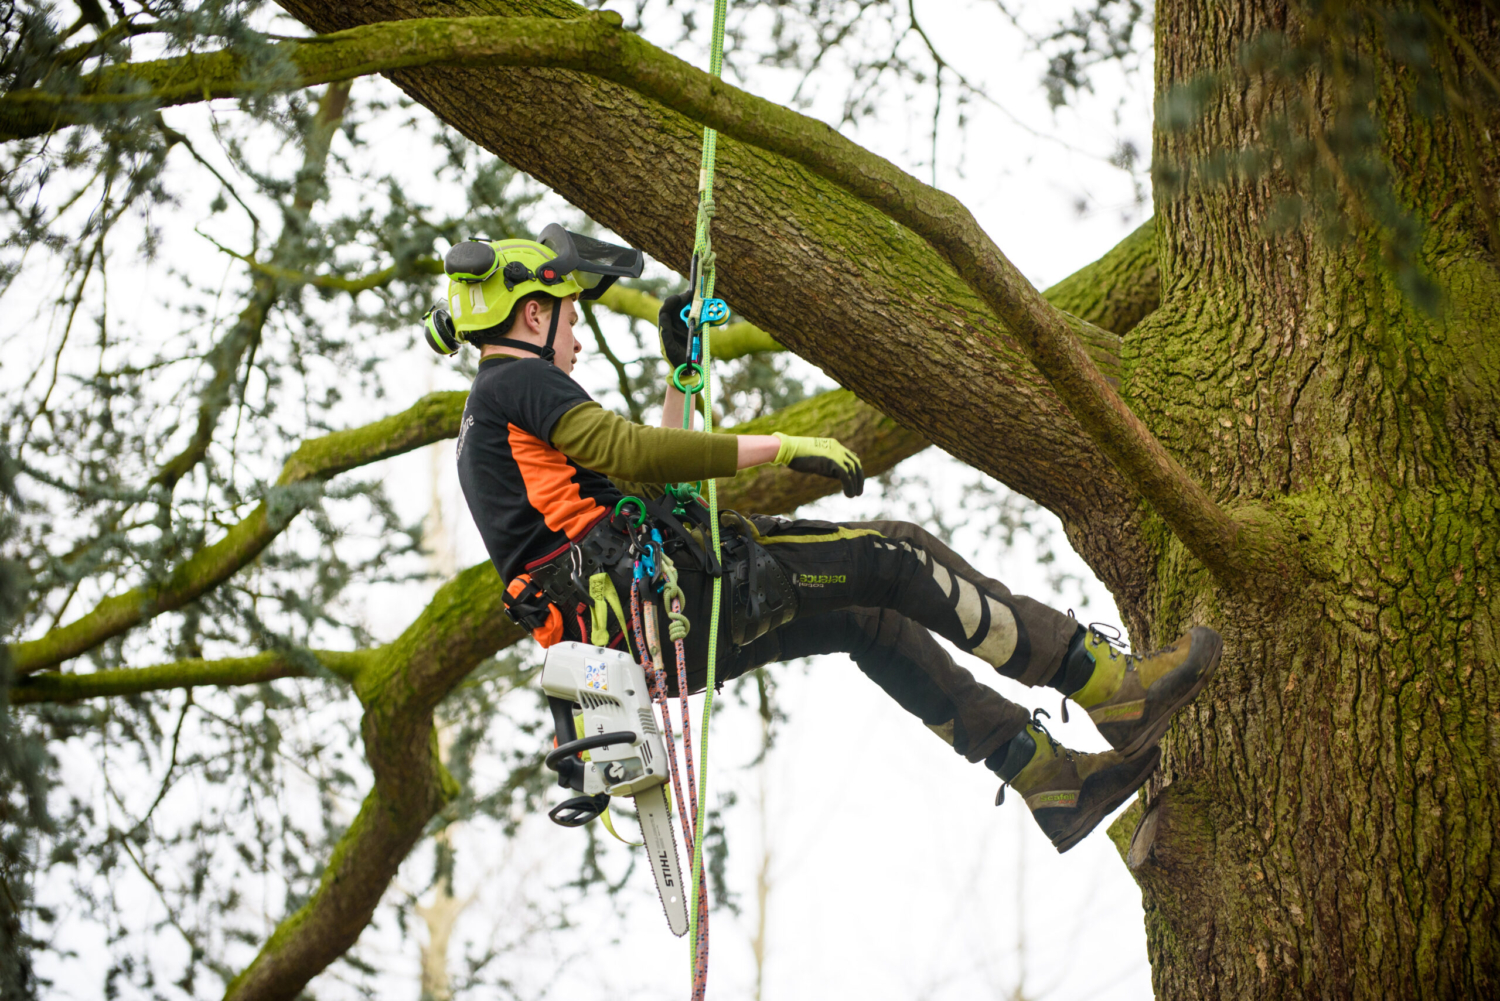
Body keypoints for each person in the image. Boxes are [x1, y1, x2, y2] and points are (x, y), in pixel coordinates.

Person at [435, 230, 1222, 853]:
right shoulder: (516, 383)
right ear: (533, 315)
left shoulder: (495, 423)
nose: (575, 336)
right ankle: (1108, 684)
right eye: (571, 317)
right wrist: (778, 446)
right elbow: (633, 454)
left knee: (868, 620)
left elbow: (656, 494)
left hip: (651, 633)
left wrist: (683, 372)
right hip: (669, 602)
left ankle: (1048, 779)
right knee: (898, 556)